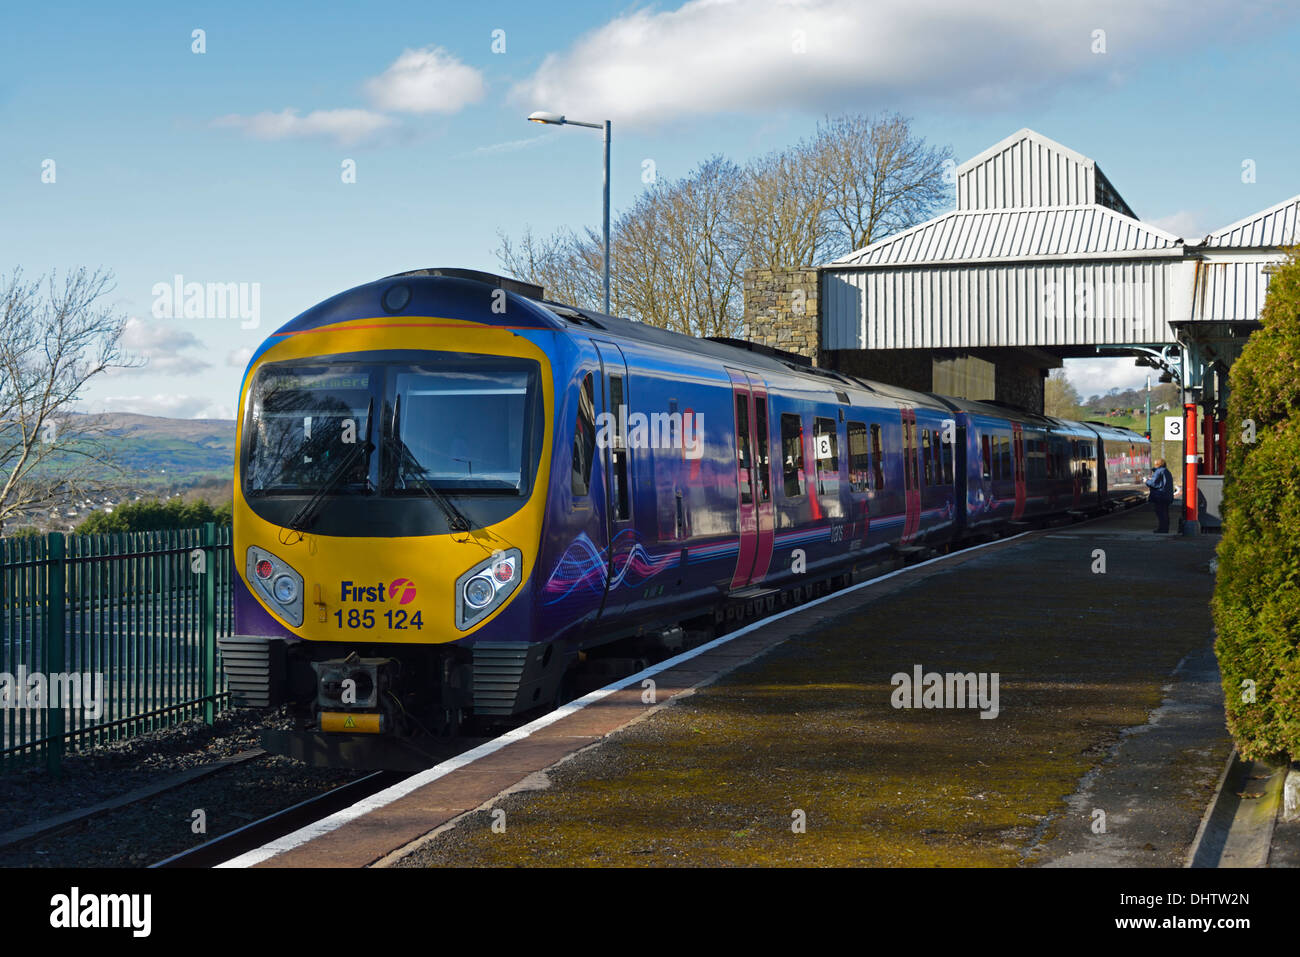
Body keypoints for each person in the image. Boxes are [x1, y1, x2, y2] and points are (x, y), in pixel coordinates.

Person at [1145, 458, 1175, 533]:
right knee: (1165, 513)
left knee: (1161, 513)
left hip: (1160, 495)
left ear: (1158, 464)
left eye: (1155, 463)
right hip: (1166, 495)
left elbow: (1154, 483)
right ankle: (1165, 528)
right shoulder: (1167, 471)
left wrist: (1146, 481)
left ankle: (1162, 529)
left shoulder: (1159, 471)